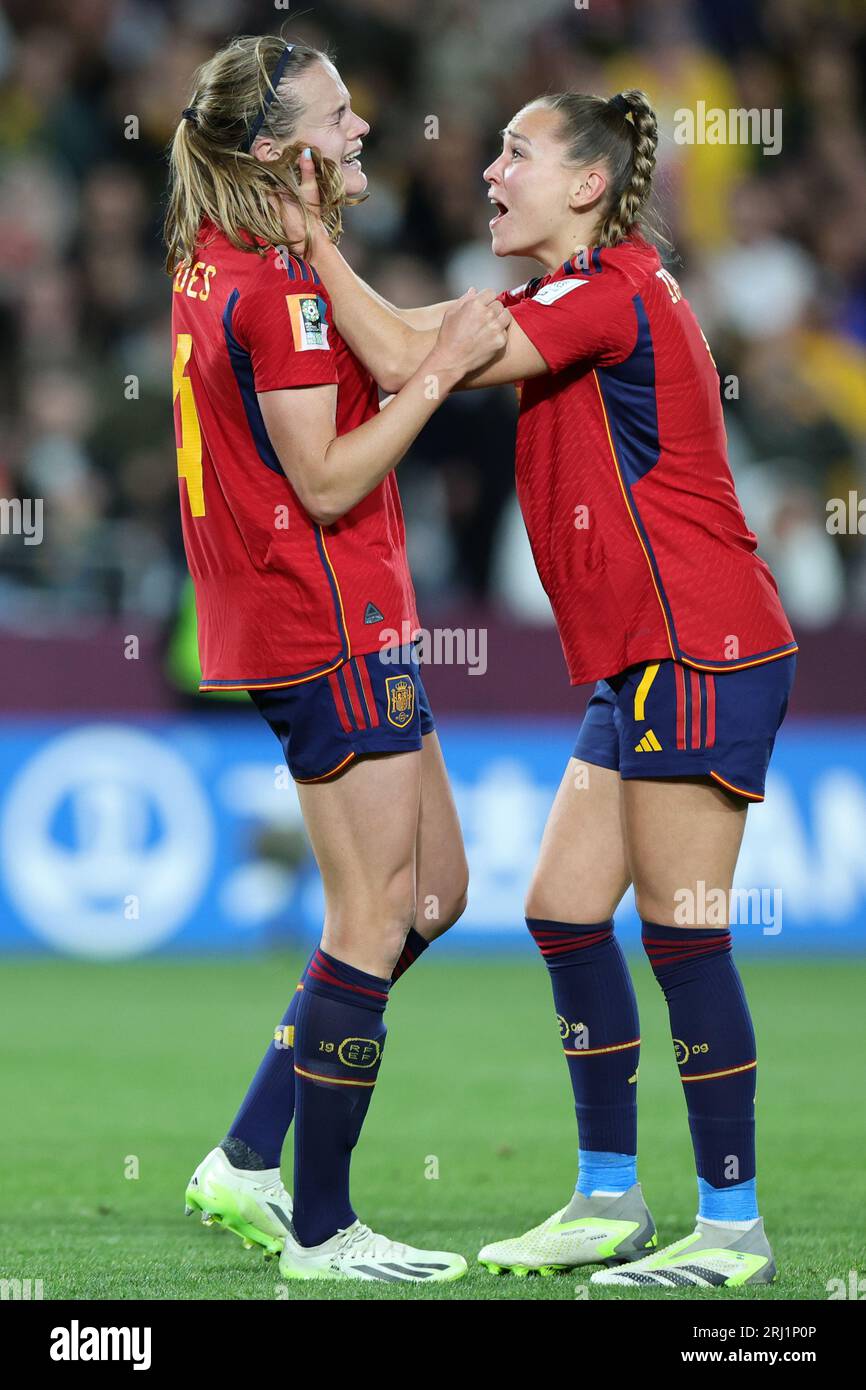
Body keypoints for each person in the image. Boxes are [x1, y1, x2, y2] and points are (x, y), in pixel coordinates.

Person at [289, 88, 796, 1290]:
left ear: (582, 185)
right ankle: (606, 1196)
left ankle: (731, 1227)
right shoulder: (568, 295)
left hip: (700, 649)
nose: (490, 171)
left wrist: (311, 245)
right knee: (565, 914)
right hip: (641, 661)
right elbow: (418, 335)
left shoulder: (608, 295)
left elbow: (413, 355)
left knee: (683, 937)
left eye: (515, 151)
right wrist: (315, 273)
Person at [166, 33, 509, 1284]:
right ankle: (320, 1228)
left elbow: (362, 340)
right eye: (339, 118)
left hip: (326, 623)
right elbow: (323, 478)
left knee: (431, 898)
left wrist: (495, 325)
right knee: (371, 917)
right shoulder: (282, 288)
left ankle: (250, 1151)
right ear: (275, 151)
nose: (363, 131)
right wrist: (437, 388)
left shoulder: (227, 261)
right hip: (325, 627)